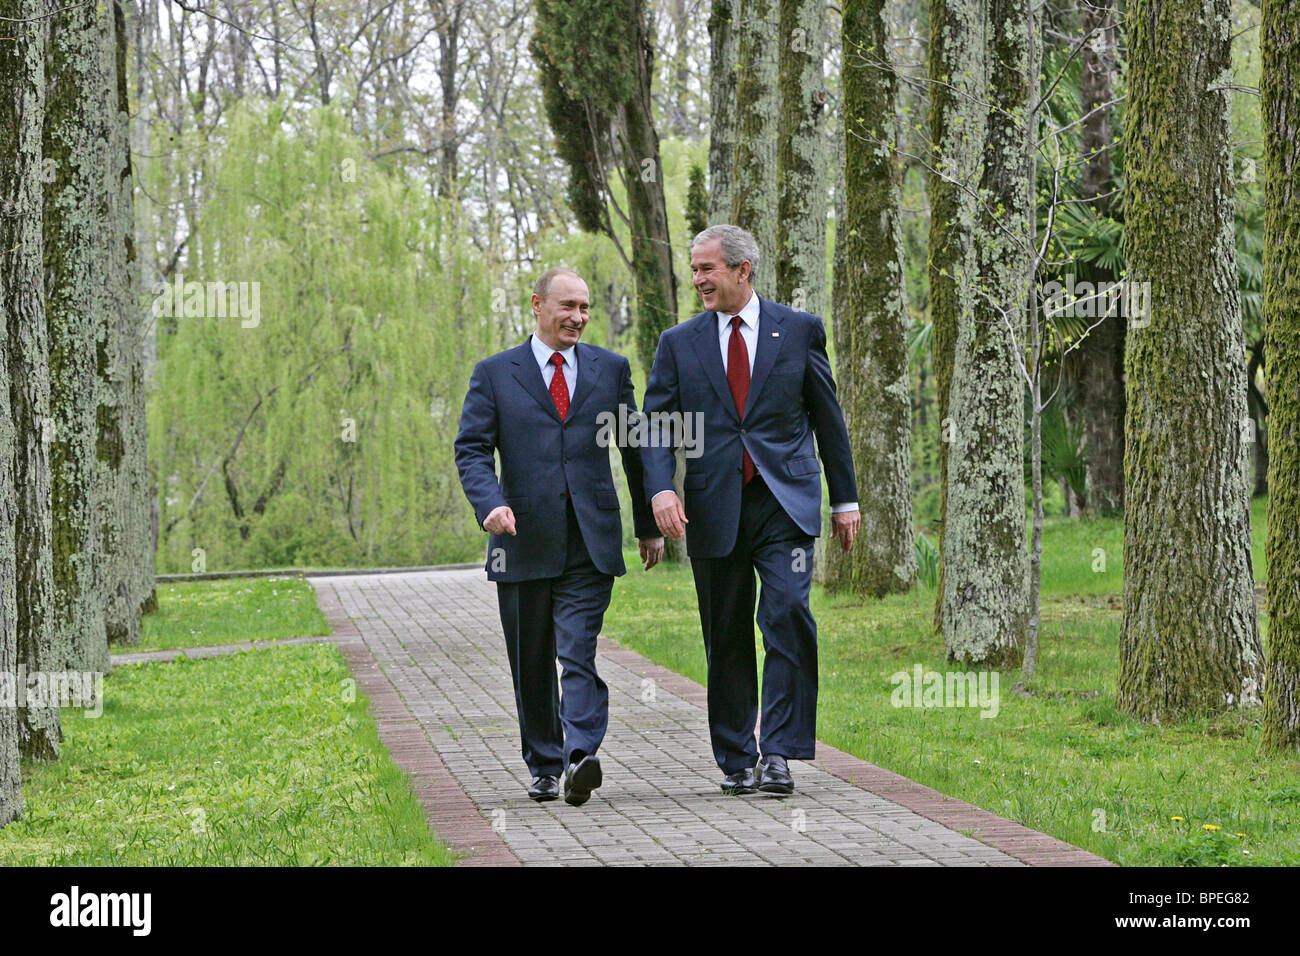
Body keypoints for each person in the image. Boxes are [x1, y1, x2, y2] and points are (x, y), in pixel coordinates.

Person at [641, 224, 859, 796]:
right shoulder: (678, 343)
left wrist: (846, 499)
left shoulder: (800, 330)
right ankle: (736, 756)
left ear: (743, 270)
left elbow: (828, 419)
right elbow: (656, 426)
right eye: (694, 269)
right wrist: (661, 489)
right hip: (712, 508)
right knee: (726, 633)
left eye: (707, 269)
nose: (698, 280)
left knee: (787, 616)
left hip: (783, 503)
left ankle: (780, 752)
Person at [454, 268, 663, 806]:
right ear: (537, 304)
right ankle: (544, 766)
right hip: (521, 539)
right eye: (568, 305)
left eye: (585, 308)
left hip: (589, 541)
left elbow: (634, 449)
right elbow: (472, 450)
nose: (578, 317)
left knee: (577, 653)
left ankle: (579, 757)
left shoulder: (610, 370)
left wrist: (646, 524)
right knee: (532, 660)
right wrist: (489, 504)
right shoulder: (495, 374)